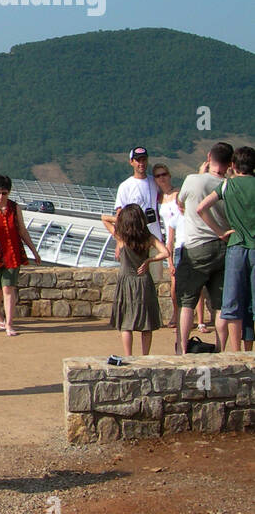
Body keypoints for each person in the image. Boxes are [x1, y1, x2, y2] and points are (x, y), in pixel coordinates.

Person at [198, 145, 255, 353]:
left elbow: (201, 208)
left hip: (236, 246)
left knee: (233, 303)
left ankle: (236, 351)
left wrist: (220, 231)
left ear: (233, 165)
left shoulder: (226, 186)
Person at [176, 143, 233, 351]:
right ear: (230, 163)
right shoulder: (229, 186)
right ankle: (220, 350)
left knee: (187, 303)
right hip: (223, 247)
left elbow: (180, 203)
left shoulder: (193, 180)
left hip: (196, 248)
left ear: (209, 157)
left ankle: (182, 350)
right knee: (220, 305)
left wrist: (200, 174)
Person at [99, 204, 168, 356]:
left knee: (126, 323)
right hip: (143, 280)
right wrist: (149, 260)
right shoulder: (148, 238)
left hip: (126, 281)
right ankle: (145, 356)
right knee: (146, 323)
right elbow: (165, 252)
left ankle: (128, 355)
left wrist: (121, 219)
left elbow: (104, 218)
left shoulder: (121, 237)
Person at [0, 175, 41, 337]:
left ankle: (9, 324)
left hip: (12, 254)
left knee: (8, 289)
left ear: (9, 192)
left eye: (4, 193)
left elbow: (22, 231)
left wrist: (34, 251)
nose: (0, 197)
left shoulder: (15, 208)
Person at [154, 163, 182, 342]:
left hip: (183, 239)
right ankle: (176, 315)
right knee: (174, 283)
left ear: (169, 175)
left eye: (164, 174)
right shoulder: (158, 198)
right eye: (158, 176)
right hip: (169, 241)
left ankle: (199, 320)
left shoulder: (178, 194)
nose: (162, 178)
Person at [116, 147, 164, 245]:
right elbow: (119, 216)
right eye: (138, 160)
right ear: (131, 162)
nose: (141, 163)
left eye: (144, 160)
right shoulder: (125, 186)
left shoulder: (155, 181)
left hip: (155, 238)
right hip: (136, 239)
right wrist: (120, 242)